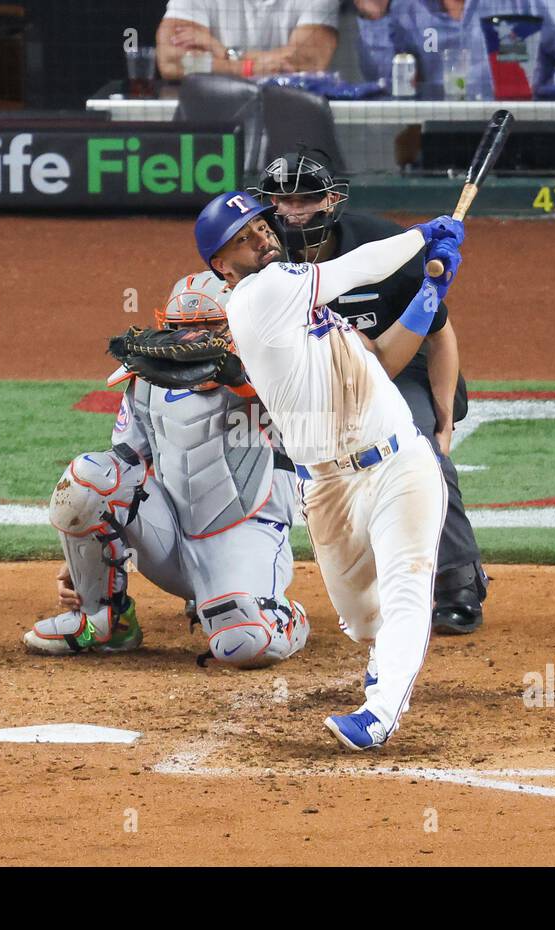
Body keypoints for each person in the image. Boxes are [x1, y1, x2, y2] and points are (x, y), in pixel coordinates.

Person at [194, 189, 465, 750]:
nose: (261, 238)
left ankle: (379, 713)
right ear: (221, 266)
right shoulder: (260, 297)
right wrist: (422, 235)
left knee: (407, 590)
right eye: (241, 240)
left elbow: (381, 358)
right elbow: (357, 266)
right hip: (329, 486)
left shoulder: (306, 306)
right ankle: (385, 663)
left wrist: (427, 295)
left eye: (261, 228)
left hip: (399, 463)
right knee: (363, 620)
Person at [22, 273, 309, 669]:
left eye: (211, 327)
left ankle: (281, 614)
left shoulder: (279, 370)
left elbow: (296, 414)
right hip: (170, 539)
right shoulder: (147, 379)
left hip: (244, 538)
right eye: (182, 329)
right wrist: (84, 561)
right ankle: (105, 620)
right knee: (89, 478)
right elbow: (125, 468)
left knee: (244, 645)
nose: (197, 341)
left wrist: (237, 375)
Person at [253, 149, 487, 634]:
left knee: (420, 452)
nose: (293, 211)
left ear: (331, 200)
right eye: (282, 200)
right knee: (266, 457)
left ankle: (458, 579)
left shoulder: (384, 244)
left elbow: (435, 333)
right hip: (318, 376)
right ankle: (240, 585)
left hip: (403, 364)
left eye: (307, 198)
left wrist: (443, 422)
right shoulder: (263, 259)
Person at [355, 0, 555, 98]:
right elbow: (387, 83)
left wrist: (540, 102)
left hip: (527, 133)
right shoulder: (404, 6)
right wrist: (374, 18)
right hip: (443, 138)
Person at [156, 0, 340, 80]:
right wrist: (248, 68)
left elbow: (307, 61)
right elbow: (173, 61)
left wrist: (223, 52)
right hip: (213, 117)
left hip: (291, 117)